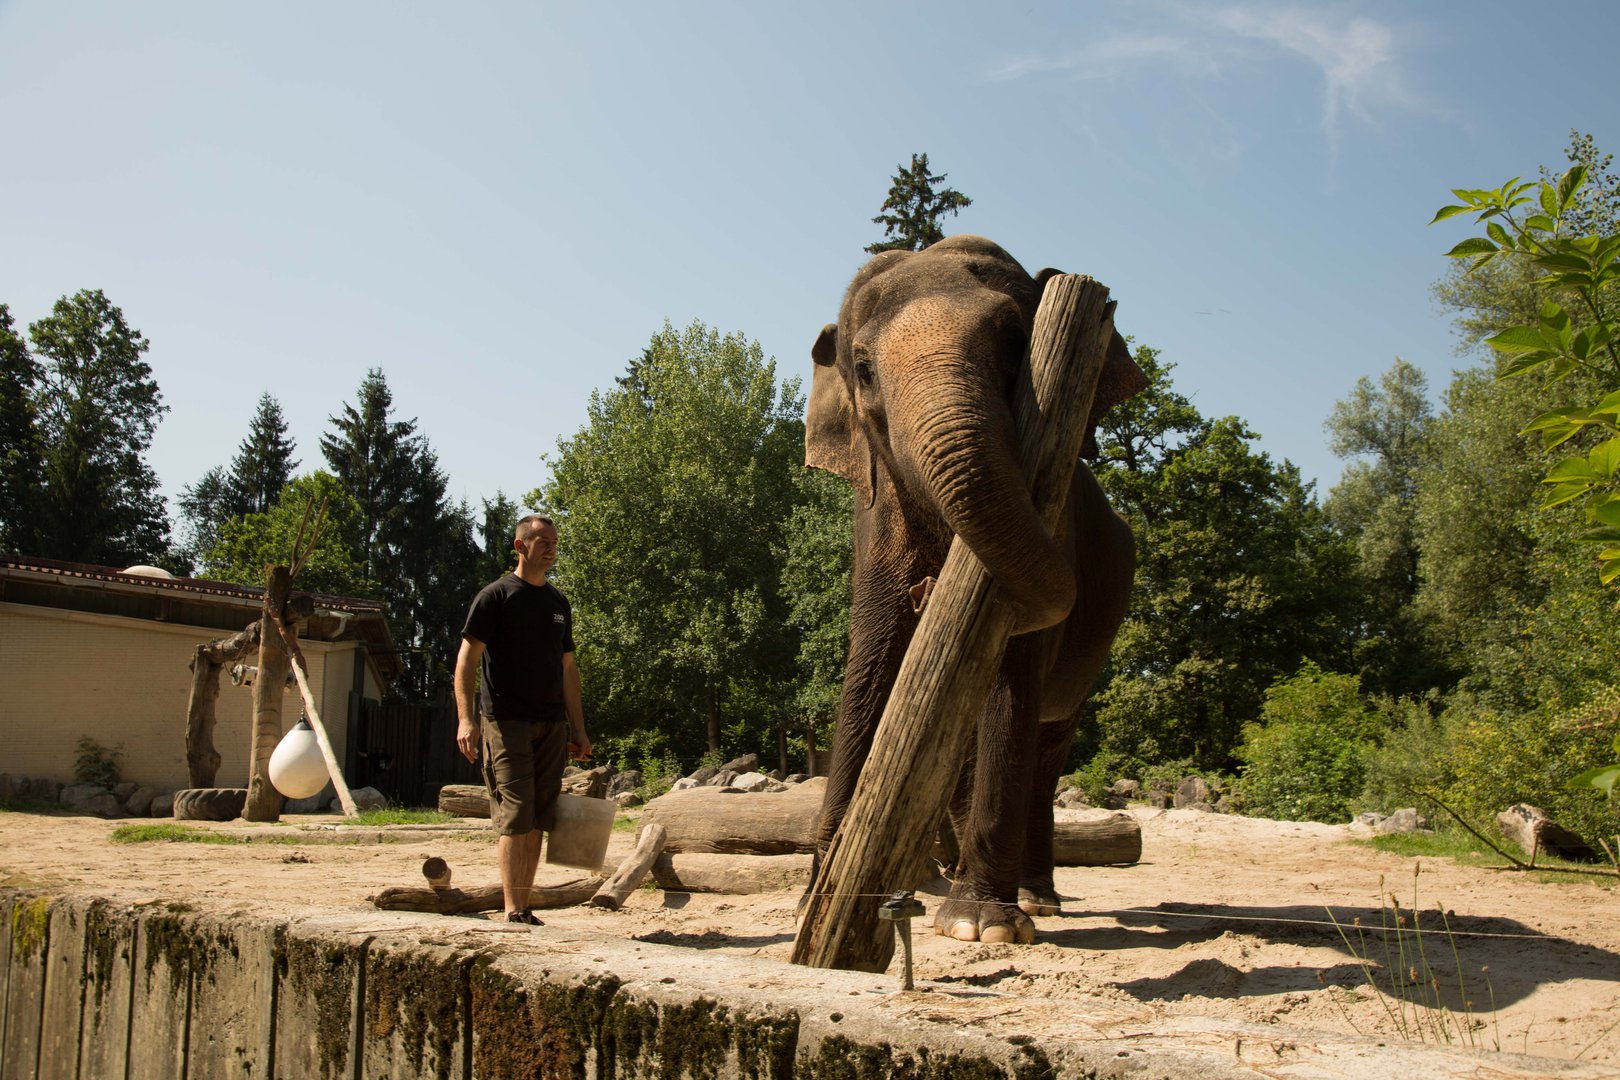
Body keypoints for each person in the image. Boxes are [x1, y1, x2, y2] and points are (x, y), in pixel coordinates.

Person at [454, 514, 591, 924]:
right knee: (516, 814)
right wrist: (466, 720)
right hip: (505, 720)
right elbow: (466, 661)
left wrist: (579, 728)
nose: (550, 547)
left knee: (538, 816)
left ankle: (523, 907)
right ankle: (513, 910)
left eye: (554, 541)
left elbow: (568, 669)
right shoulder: (495, 596)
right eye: (541, 540)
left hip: (551, 722)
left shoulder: (557, 603)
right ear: (520, 546)